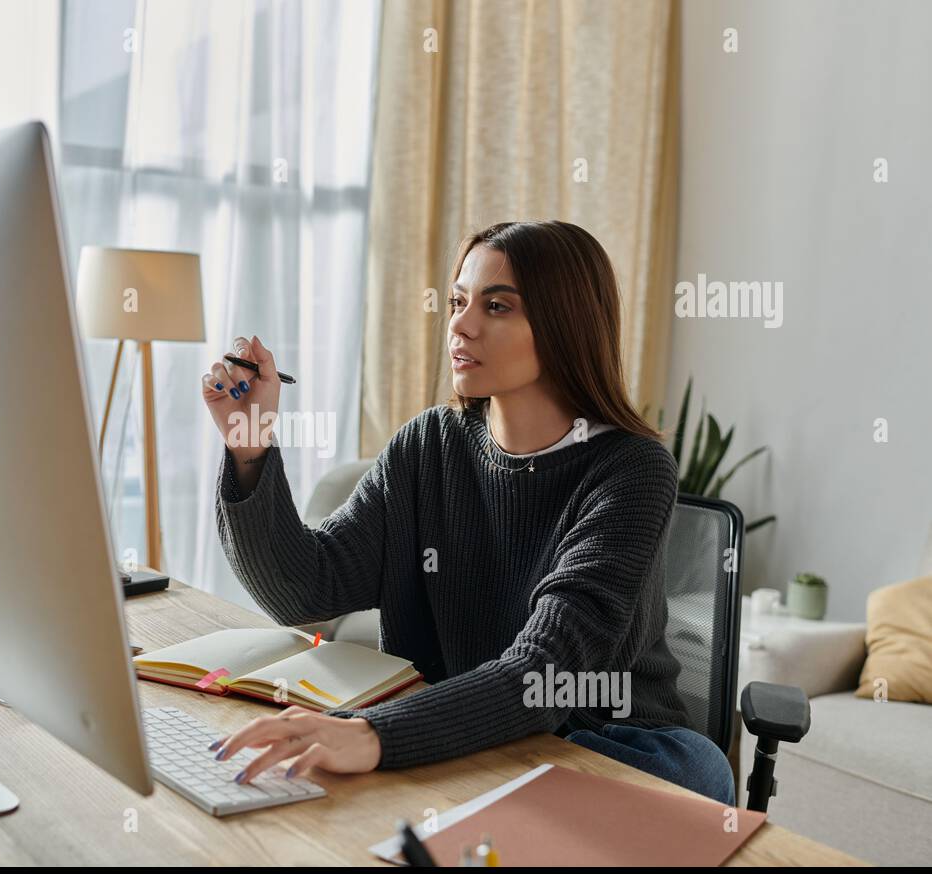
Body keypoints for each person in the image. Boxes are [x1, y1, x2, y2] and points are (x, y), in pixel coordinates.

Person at [198, 220, 735, 805]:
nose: (460, 322)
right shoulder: (430, 444)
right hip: (464, 727)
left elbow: (546, 673)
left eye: (497, 305)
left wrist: (375, 736)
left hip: (603, 741)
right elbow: (305, 589)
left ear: (565, 325)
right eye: (458, 301)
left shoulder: (630, 469)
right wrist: (249, 445)